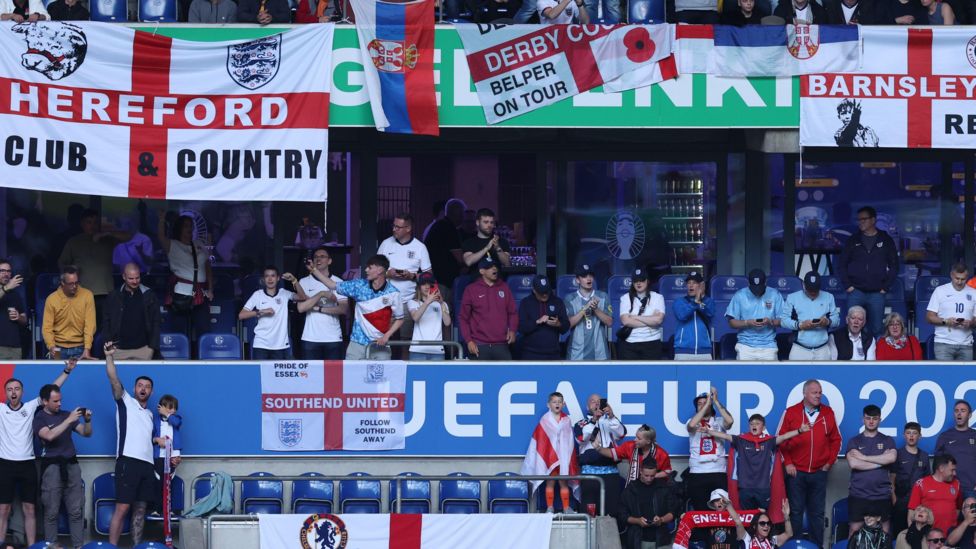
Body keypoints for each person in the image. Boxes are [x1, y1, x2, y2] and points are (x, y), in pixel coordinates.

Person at [0, 363, 75, 548]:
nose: (13, 392)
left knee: (30, 509)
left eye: (17, 389)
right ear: (5, 393)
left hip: (28, 464)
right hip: (5, 465)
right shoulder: (1, 409)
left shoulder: (32, 407)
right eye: (9, 389)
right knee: (3, 509)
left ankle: (32, 546)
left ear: (22, 392)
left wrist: (67, 371)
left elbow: (51, 389)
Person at [777, 379, 843, 549]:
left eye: (820, 392)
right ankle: (795, 545)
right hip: (796, 472)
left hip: (819, 472)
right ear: (805, 393)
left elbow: (836, 440)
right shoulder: (791, 412)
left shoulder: (828, 413)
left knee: (817, 514)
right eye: (814, 392)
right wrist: (788, 463)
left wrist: (829, 463)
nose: (818, 395)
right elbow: (781, 440)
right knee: (796, 513)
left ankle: (816, 546)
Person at [104, 342, 156, 546]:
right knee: (123, 508)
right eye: (140, 386)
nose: (143, 389)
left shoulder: (151, 414)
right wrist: (109, 357)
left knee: (140, 509)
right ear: (134, 389)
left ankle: (136, 546)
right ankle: (112, 547)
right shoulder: (125, 401)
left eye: (147, 387)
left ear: (151, 392)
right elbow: (113, 379)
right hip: (128, 463)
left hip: (147, 466)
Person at [704, 413, 809, 510]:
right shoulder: (741, 440)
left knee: (763, 517)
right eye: (751, 424)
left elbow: (784, 437)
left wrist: (799, 430)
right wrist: (708, 431)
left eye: (757, 423)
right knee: (746, 518)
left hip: (763, 488)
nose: (754, 425)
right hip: (745, 488)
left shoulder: (769, 441)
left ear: (763, 428)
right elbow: (725, 436)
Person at [309, 254, 404, 360]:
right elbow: (332, 285)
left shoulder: (394, 293)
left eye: (370, 267)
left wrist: (386, 336)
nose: (366, 270)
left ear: (380, 270)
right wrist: (313, 269)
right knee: (351, 376)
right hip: (357, 342)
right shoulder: (359, 285)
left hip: (380, 343)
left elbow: (400, 319)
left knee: (380, 376)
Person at [33, 381, 91, 549]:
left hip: (72, 466)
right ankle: (51, 546)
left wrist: (87, 421)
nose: (60, 404)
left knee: (76, 511)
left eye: (60, 400)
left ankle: (78, 546)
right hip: (51, 468)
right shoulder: (39, 418)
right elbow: (49, 436)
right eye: (55, 401)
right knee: (51, 513)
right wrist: (68, 420)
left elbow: (86, 433)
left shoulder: (66, 414)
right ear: (45, 402)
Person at [837, 206, 900, 337]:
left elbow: (894, 265)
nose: (860, 222)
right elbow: (842, 264)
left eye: (864, 219)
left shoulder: (885, 239)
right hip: (856, 292)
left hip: (877, 293)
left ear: (873, 220)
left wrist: (885, 287)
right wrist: (848, 286)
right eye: (859, 219)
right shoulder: (853, 240)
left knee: (877, 329)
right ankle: (854, 356)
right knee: (852, 328)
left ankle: (873, 356)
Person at [58, 209, 131, 322]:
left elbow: (129, 236)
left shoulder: (107, 239)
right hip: (81, 293)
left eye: (95, 222)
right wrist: (71, 273)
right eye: (89, 222)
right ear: (82, 224)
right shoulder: (74, 242)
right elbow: (62, 263)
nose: (92, 225)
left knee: (106, 329)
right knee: (84, 328)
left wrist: (107, 233)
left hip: (106, 293)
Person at [377, 213, 432, 347]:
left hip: (409, 301)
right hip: (386, 300)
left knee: (405, 340)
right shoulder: (385, 244)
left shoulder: (420, 247)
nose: (394, 229)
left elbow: (429, 276)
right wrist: (388, 273)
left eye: (398, 227)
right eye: (394, 226)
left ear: (408, 229)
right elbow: (374, 270)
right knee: (383, 339)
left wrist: (412, 276)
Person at [158, 213, 214, 343]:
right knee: (179, 330)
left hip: (201, 293)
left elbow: (208, 267)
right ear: (179, 228)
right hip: (180, 294)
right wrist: (161, 220)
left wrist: (210, 288)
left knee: (204, 330)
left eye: (191, 226)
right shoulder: (172, 245)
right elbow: (160, 237)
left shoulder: (199, 244)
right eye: (186, 226)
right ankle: (179, 360)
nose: (190, 229)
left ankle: (201, 360)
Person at [520, 392, 578, 513]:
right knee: (550, 482)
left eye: (559, 402)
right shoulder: (545, 420)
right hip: (549, 458)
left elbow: (569, 441)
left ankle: (566, 507)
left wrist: (567, 457)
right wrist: (549, 455)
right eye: (554, 402)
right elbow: (541, 440)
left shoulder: (567, 420)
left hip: (563, 458)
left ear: (564, 404)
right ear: (548, 404)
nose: (557, 404)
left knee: (563, 483)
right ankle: (549, 507)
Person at [847, 404, 898, 534]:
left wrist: (863, 457)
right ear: (862, 419)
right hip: (859, 494)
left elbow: (891, 458)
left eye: (874, 418)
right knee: (854, 530)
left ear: (880, 420)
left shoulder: (887, 440)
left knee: (884, 531)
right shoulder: (854, 441)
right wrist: (881, 461)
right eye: (868, 418)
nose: (871, 421)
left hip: (881, 495)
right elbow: (854, 463)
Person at [574, 394, 626, 517]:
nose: (596, 403)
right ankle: (589, 536)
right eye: (593, 401)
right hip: (589, 474)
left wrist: (612, 416)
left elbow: (621, 433)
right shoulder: (581, 423)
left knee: (611, 511)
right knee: (589, 511)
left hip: (611, 473)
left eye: (599, 401)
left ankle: (610, 536)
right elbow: (582, 438)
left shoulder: (611, 421)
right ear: (587, 407)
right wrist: (594, 421)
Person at [238, 266, 304, 360]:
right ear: (263, 279)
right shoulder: (258, 294)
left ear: (278, 278)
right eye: (267, 276)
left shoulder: (284, 293)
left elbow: (302, 297)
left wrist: (294, 280)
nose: (270, 279)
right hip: (261, 344)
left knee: (277, 374)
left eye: (273, 276)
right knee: (260, 374)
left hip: (280, 345)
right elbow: (241, 315)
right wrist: (261, 312)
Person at [459, 257, 517, 360]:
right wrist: (469, 341)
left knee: (506, 375)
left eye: (495, 266)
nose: (494, 269)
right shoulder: (471, 289)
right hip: (480, 345)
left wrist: (512, 330)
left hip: (502, 344)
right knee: (479, 376)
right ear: (482, 271)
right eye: (489, 267)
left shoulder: (504, 287)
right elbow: (463, 318)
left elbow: (513, 313)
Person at [295, 247, 348, 360]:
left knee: (333, 376)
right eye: (316, 257)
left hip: (333, 338)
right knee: (311, 376)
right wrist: (321, 294)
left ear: (329, 261)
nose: (318, 259)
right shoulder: (303, 282)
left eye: (322, 256)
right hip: (310, 338)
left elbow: (343, 309)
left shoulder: (338, 282)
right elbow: (301, 308)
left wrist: (317, 308)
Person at [686, 388, 734, 510]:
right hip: (697, 472)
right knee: (700, 509)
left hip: (718, 471)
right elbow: (691, 426)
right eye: (699, 404)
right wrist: (707, 403)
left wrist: (716, 402)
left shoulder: (719, 421)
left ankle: (719, 531)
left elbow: (730, 421)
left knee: (721, 509)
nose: (702, 405)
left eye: (705, 403)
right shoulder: (692, 422)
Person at [103, 263, 161, 361]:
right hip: (118, 350)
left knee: (142, 376)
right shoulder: (113, 296)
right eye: (131, 278)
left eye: (137, 278)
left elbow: (156, 322)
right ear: (124, 277)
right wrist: (109, 343)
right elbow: (106, 321)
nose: (135, 281)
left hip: (144, 349)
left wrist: (151, 348)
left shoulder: (149, 296)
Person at [781, 271, 841, 360]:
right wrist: (800, 325)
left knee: (824, 374)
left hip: (822, 349)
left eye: (815, 289)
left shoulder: (829, 297)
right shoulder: (792, 298)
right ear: (803, 284)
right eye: (810, 289)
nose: (813, 292)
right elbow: (783, 321)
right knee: (797, 374)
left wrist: (827, 321)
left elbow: (837, 320)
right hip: (800, 349)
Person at [726, 269, 783, 361]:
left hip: (769, 346)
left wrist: (770, 321)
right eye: (754, 288)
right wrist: (747, 322)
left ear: (765, 283)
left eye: (760, 287)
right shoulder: (740, 295)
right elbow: (731, 322)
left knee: (770, 375)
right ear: (748, 283)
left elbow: (783, 321)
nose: (757, 291)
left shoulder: (775, 294)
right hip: (745, 346)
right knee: (745, 376)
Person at [620, 461, 678, 549]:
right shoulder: (631, 490)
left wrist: (661, 520)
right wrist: (637, 521)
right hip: (638, 539)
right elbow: (622, 515)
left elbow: (673, 512)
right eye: (646, 475)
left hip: (661, 539)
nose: (649, 479)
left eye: (652, 476)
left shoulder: (663, 488)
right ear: (640, 472)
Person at [42, 266, 96, 361]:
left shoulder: (87, 295)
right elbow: (47, 327)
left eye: (76, 283)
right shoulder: (51, 299)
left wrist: (87, 348)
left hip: (80, 347)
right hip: (57, 347)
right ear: (62, 283)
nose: (74, 286)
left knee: (80, 376)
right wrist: (51, 346)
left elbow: (90, 325)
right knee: (57, 375)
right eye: (71, 284)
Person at [925, 264, 976, 361]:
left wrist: (970, 323)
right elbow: (929, 317)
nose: (960, 282)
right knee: (944, 375)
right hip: (943, 344)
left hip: (966, 344)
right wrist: (946, 321)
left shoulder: (974, 293)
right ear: (951, 275)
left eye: (963, 279)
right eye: (957, 278)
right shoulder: (940, 291)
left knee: (965, 376)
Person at [593, 424, 672, 487]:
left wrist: (650, 477)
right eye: (635, 437)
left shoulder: (661, 454)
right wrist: (598, 448)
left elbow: (667, 472)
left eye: (639, 438)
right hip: (633, 489)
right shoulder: (630, 446)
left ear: (648, 441)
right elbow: (612, 453)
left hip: (654, 490)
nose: (635, 440)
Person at [565, 264, 612, 360]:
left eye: (590, 276)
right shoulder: (569, 298)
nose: (588, 279)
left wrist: (596, 309)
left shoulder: (603, 296)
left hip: (600, 353)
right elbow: (567, 324)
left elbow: (610, 322)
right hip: (577, 354)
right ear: (577, 280)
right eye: (584, 276)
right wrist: (584, 310)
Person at [891, 423, 932, 536]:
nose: (911, 436)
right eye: (908, 433)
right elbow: (892, 477)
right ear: (904, 435)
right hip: (901, 500)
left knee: (917, 533)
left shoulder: (924, 456)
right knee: (899, 533)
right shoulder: (897, 454)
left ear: (920, 436)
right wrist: (893, 497)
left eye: (914, 433)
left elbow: (927, 480)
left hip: (918, 502)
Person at [617, 268, 665, 360]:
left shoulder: (658, 297)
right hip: (630, 343)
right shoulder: (625, 298)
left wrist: (635, 317)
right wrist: (650, 319)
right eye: (636, 281)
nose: (639, 283)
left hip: (652, 342)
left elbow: (659, 320)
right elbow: (626, 321)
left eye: (642, 280)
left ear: (647, 281)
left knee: (652, 374)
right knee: (630, 374)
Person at [908, 455, 962, 536]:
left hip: (951, 536)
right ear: (941, 468)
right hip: (928, 537)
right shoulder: (921, 484)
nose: (954, 473)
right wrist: (913, 534)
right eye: (952, 470)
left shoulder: (956, 483)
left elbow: (958, 508)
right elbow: (912, 512)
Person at [517, 275, 569, 360]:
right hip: (530, 353)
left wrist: (558, 324)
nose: (545, 295)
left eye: (546, 291)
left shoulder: (558, 302)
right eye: (541, 292)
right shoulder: (525, 303)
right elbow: (521, 328)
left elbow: (566, 327)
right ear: (534, 290)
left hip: (553, 353)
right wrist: (537, 322)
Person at [423, 198, 466, 301]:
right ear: (457, 214)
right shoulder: (449, 229)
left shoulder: (439, 225)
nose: (463, 218)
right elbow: (460, 259)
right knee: (443, 311)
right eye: (463, 214)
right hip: (442, 282)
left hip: (434, 278)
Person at [934, 401, 976, 498]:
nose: (959, 413)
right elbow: (937, 463)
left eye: (963, 410)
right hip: (949, 488)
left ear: (969, 415)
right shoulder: (944, 436)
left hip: (971, 489)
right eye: (956, 411)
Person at [406, 272, 451, 360]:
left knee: (437, 374)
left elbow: (447, 322)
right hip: (417, 350)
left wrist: (441, 303)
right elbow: (415, 317)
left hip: (437, 350)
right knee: (416, 374)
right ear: (419, 287)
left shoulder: (441, 304)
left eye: (429, 284)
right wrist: (427, 301)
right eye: (423, 284)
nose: (427, 287)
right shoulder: (413, 302)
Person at [673, 271, 715, 360]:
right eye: (688, 283)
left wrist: (701, 298)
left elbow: (710, 313)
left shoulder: (708, 301)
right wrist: (694, 302)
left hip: (704, 351)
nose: (691, 285)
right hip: (683, 351)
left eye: (695, 283)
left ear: (701, 285)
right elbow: (682, 315)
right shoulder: (679, 301)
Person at [152, 394, 183, 512]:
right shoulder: (155, 420)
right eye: (168, 407)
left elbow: (176, 423)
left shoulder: (176, 419)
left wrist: (167, 413)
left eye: (173, 408)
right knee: (158, 483)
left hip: (172, 457)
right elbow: (150, 436)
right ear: (160, 407)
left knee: (170, 483)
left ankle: (169, 509)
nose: (171, 410)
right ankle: (156, 509)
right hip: (159, 456)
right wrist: (156, 440)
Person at [728, 499, 794, 549]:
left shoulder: (772, 540)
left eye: (768, 523)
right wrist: (728, 506)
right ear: (754, 526)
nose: (766, 526)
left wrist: (786, 515)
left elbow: (789, 534)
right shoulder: (746, 539)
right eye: (762, 523)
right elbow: (737, 521)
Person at [0, 260, 26, 360]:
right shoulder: (7, 289)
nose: (6, 274)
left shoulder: (15, 294)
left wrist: (19, 317)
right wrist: (6, 288)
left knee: (13, 376)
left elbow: (24, 320)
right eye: (2, 271)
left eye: (8, 271)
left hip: (15, 348)